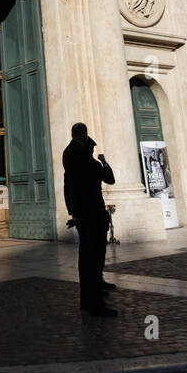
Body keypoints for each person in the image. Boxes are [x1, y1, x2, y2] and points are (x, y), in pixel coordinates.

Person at [63, 122, 117, 316]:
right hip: (92, 213)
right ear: (84, 137)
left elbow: (67, 185)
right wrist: (104, 162)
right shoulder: (84, 158)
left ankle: (89, 298)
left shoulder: (67, 154)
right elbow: (109, 179)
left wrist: (73, 212)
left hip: (82, 214)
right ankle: (92, 301)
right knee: (91, 258)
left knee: (87, 257)